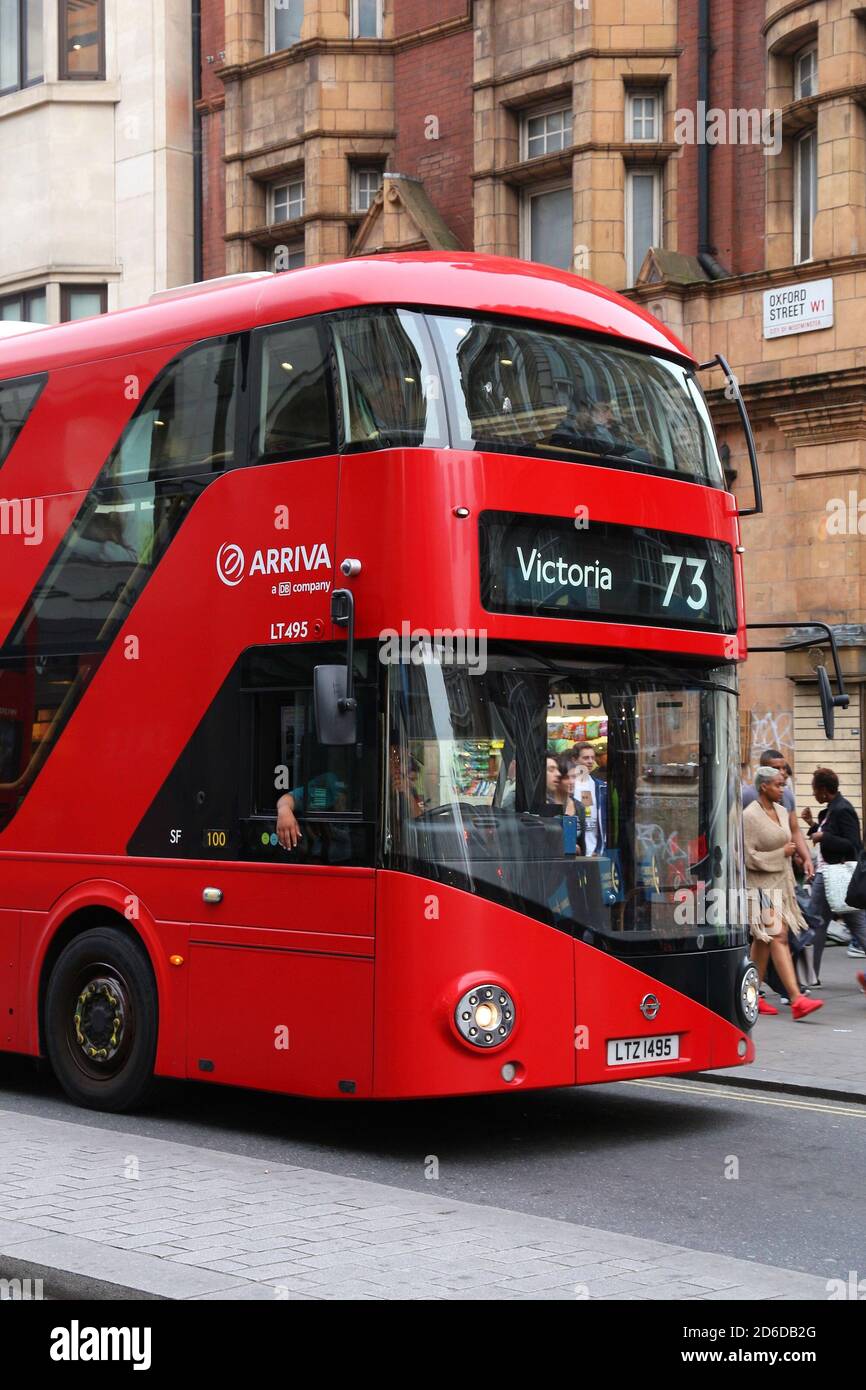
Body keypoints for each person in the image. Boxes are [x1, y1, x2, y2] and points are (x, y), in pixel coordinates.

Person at [743, 766, 823, 1021]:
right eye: (778, 785)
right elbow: (748, 856)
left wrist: (803, 857)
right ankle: (797, 998)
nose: (782, 789)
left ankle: (749, 996)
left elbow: (792, 836)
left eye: (783, 784)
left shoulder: (780, 810)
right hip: (759, 886)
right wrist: (782, 854)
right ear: (764, 786)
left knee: (763, 942)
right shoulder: (749, 816)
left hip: (782, 884)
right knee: (779, 935)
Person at [801, 767, 866, 977]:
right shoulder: (831, 808)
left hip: (837, 876)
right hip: (829, 876)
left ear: (823, 790)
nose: (812, 794)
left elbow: (853, 844)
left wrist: (823, 838)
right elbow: (828, 832)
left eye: (814, 789)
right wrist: (812, 825)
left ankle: (809, 977)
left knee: (816, 923)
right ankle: (810, 976)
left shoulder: (842, 809)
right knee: (818, 924)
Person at [743, 749, 814, 883]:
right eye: (776, 768)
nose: (782, 772)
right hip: (759, 874)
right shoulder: (747, 796)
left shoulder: (787, 796)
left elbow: (795, 831)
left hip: (784, 872)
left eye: (783, 768)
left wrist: (807, 858)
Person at [569, 743, 601, 854]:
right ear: (574, 760)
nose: (590, 761)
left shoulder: (600, 787)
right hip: (577, 853)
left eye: (592, 757)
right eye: (586, 758)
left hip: (596, 853)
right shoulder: (569, 786)